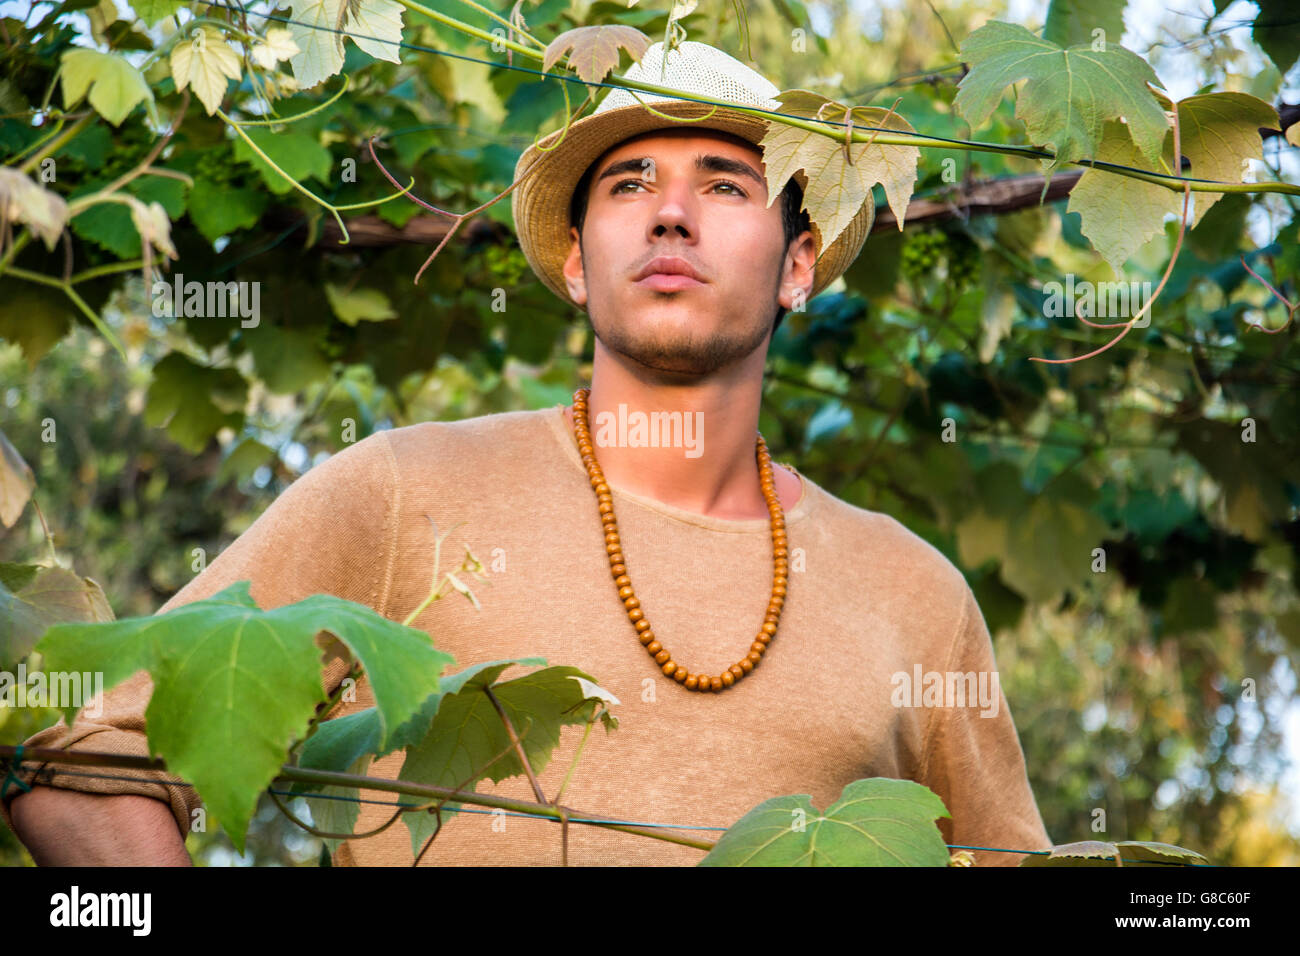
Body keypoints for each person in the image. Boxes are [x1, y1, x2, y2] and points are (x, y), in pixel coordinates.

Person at [4, 40, 1050, 866]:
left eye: (727, 185)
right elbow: (79, 753)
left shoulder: (916, 592)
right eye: (629, 184)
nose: (672, 213)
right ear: (575, 263)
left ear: (798, 264)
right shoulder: (401, 490)